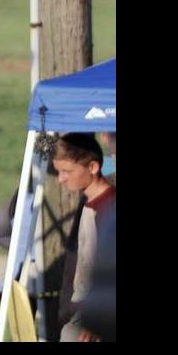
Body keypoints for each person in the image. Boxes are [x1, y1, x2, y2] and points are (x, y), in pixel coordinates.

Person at [51, 133, 115, 342]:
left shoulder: (109, 208)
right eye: (59, 172)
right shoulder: (90, 203)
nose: (60, 179)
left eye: (67, 171)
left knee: (70, 335)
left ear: (93, 167)